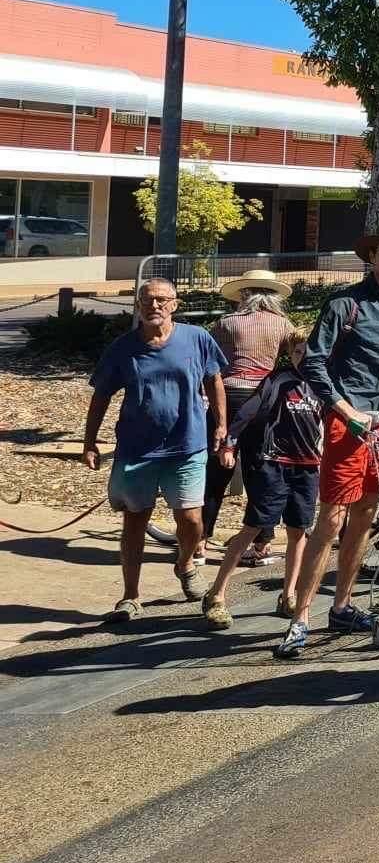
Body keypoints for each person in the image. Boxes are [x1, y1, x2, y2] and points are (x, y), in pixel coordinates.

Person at [274, 221, 379, 660]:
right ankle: (300, 617)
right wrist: (342, 408)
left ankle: (341, 605)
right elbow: (315, 361)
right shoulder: (345, 304)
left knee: (366, 513)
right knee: (330, 521)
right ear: (371, 256)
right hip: (350, 422)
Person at [81, 279, 228, 620]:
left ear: (174, 305)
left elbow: (214, 380)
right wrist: (90, 441)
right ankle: (131, 596)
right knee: (134, 522)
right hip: (137, 450)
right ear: (137, 305)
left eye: (162, 300)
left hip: (187, 445)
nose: (155, 306)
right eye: (147, 300)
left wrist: (221, 424)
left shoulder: (197, 338)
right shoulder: (123, 347)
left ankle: (186, 563)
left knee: (192, 520)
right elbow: (101, 394)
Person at [201, 326, 322, 629]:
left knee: (299, 531)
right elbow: (249, 411)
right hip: (274, 462)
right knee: (253, 527)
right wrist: (230, 442)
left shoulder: (324, 385)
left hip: (307, 466)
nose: (302, 358)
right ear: (288, 354)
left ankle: (288, 593)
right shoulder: (279, 380)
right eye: (296, 352)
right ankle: (216, 593)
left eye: (309, 352)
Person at [201, 269, 295, 564]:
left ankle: (200, 540)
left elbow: (211, 362)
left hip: (228, 395)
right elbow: (297, 352)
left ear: (244, 295)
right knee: (261, 469)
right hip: (265, 399)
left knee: (216, 472)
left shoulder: (226, 323)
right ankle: (262, 539)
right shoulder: (282, 324)